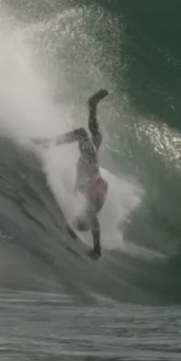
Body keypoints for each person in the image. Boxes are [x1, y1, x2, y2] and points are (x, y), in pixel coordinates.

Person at [38, 89, 111, 258]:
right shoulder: (91, 208)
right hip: (90, 164)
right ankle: (91, 105)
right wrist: (97, 247)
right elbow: (95, 226)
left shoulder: (83, 202)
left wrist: (93, 244)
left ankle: (50, 142)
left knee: (85, 134)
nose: (81, 215)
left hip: (88, 164)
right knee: (92, 136)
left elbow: (93, 223)